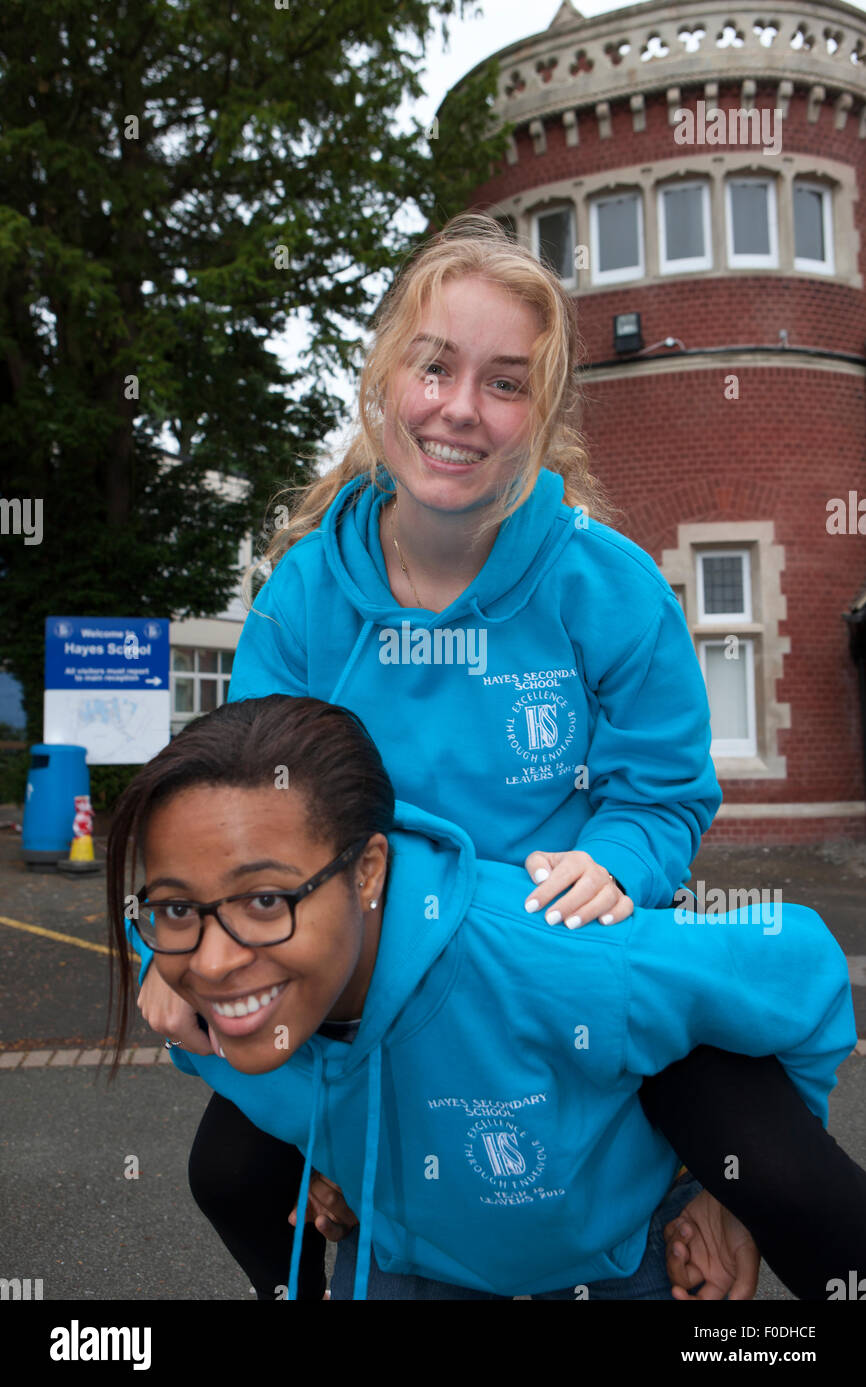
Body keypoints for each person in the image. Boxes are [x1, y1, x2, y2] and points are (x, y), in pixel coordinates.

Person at [132, 212, 866, 1300]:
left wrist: (615, 862)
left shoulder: (605, 584)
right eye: (433, 367)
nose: (461, 409)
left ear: (541, 414)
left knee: (796, 1189)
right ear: (384, 380)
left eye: (506, 382)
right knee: (230, 1174)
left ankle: (675, 1193)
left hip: (565, 963)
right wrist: (180, 955)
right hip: (369, 978)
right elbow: (238, 828)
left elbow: (662, 793)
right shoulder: (300, 605)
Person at [107, 695, 857, 1301]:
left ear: (368, 873)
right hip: (403, 1264)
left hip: (612, 1269)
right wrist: (337, 1166)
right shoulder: (212, 1017)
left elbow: (799, 966)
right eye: (176, 910)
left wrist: (737, 1193)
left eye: (267, 900)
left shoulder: (559, 956)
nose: (213, 960)